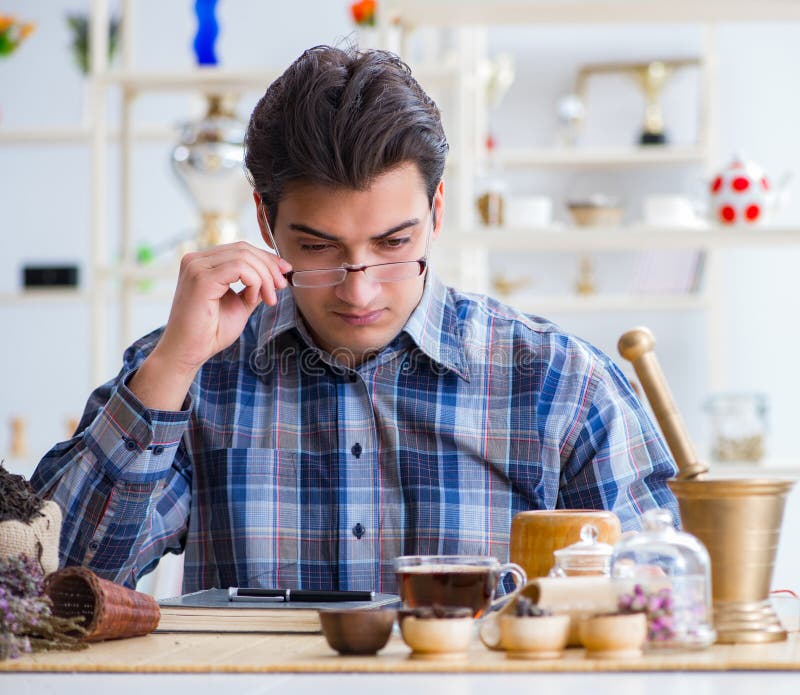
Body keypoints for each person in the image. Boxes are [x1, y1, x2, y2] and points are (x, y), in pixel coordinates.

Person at [32, 45, 678, 593]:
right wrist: (172, 364)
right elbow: (58, 588)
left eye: (394, 245)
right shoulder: (194, 374)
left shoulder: (560, 382)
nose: (360, 288)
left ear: (437, 211)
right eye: (317, 248)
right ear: (264, 221)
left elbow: (660, 605)